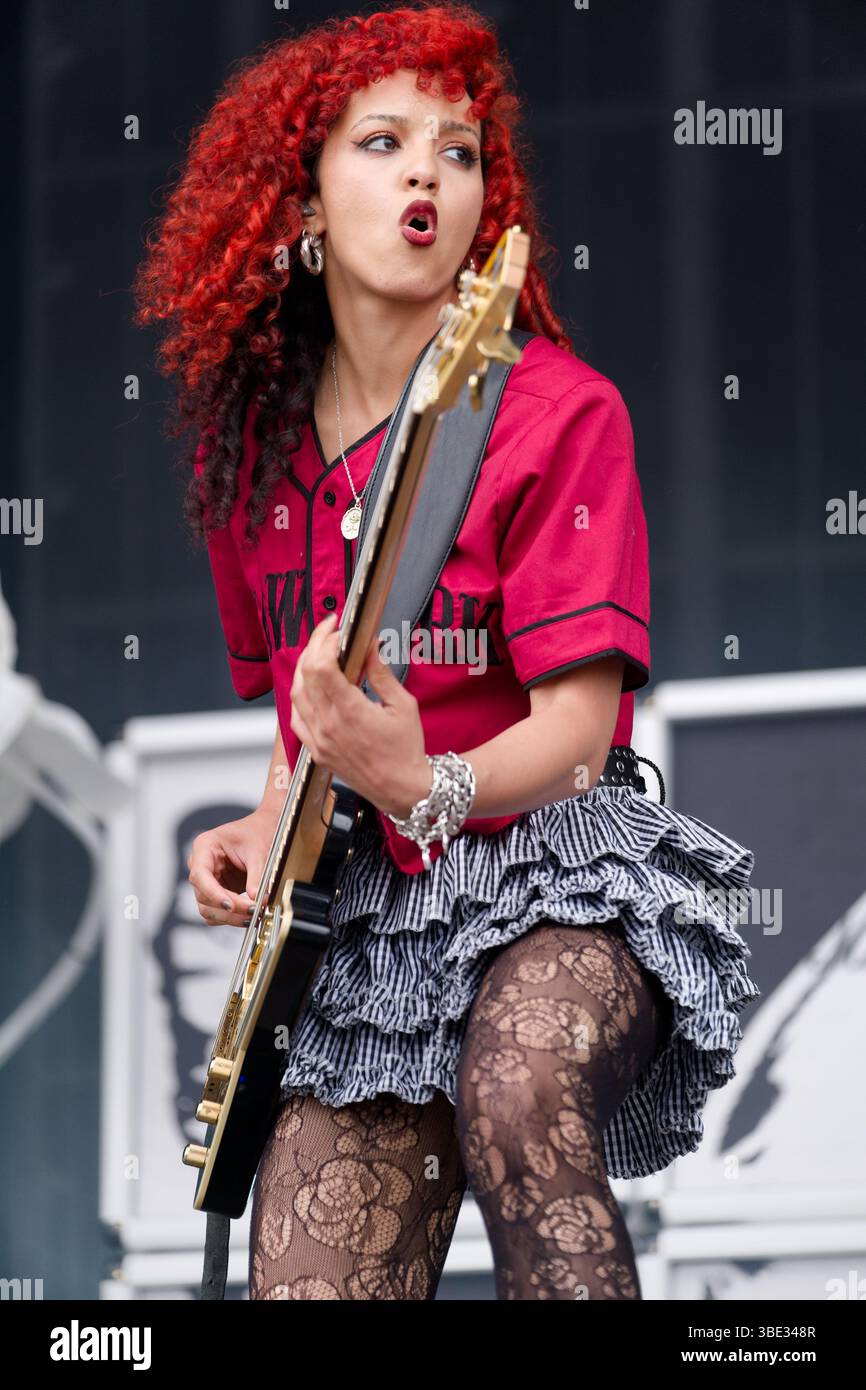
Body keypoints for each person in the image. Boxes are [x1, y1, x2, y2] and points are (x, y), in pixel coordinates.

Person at [133, 1, 760, 1301]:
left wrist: (431, 782)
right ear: (294, 208)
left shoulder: (553, 411)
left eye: (459, 150)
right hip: (366, 920)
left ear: (486, 205)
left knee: (517, 1083)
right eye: (381, 141)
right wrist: (260, 827)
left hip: (551, 871)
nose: (428, 169)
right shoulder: (250, 459)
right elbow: (311, 719)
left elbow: (578, 736)